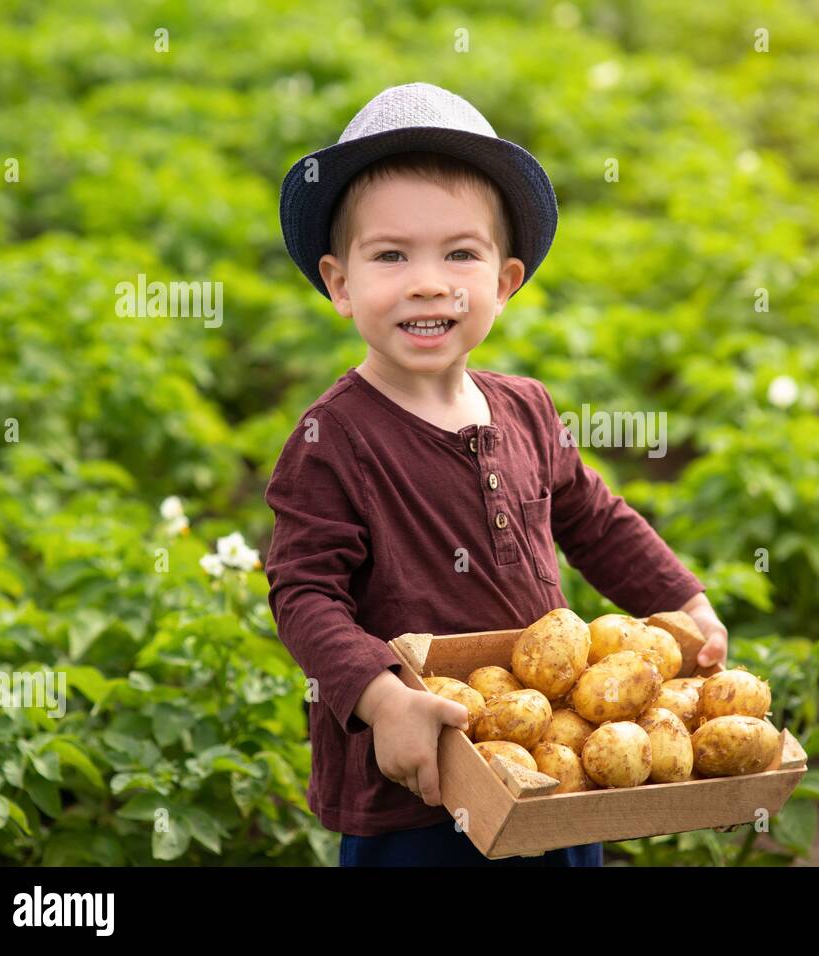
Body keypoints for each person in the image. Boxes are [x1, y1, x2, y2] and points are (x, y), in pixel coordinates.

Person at [266, 83, 728, 867]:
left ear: (505, 281)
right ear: (340, 284)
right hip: (414, 783)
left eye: (460, 253)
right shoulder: (332, 438)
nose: (427, 281)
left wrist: (682, 600)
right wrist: (387, 701)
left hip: (552, 763)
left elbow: (595, 519)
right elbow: (304, 594)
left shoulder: (527, 409)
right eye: (390, 255)